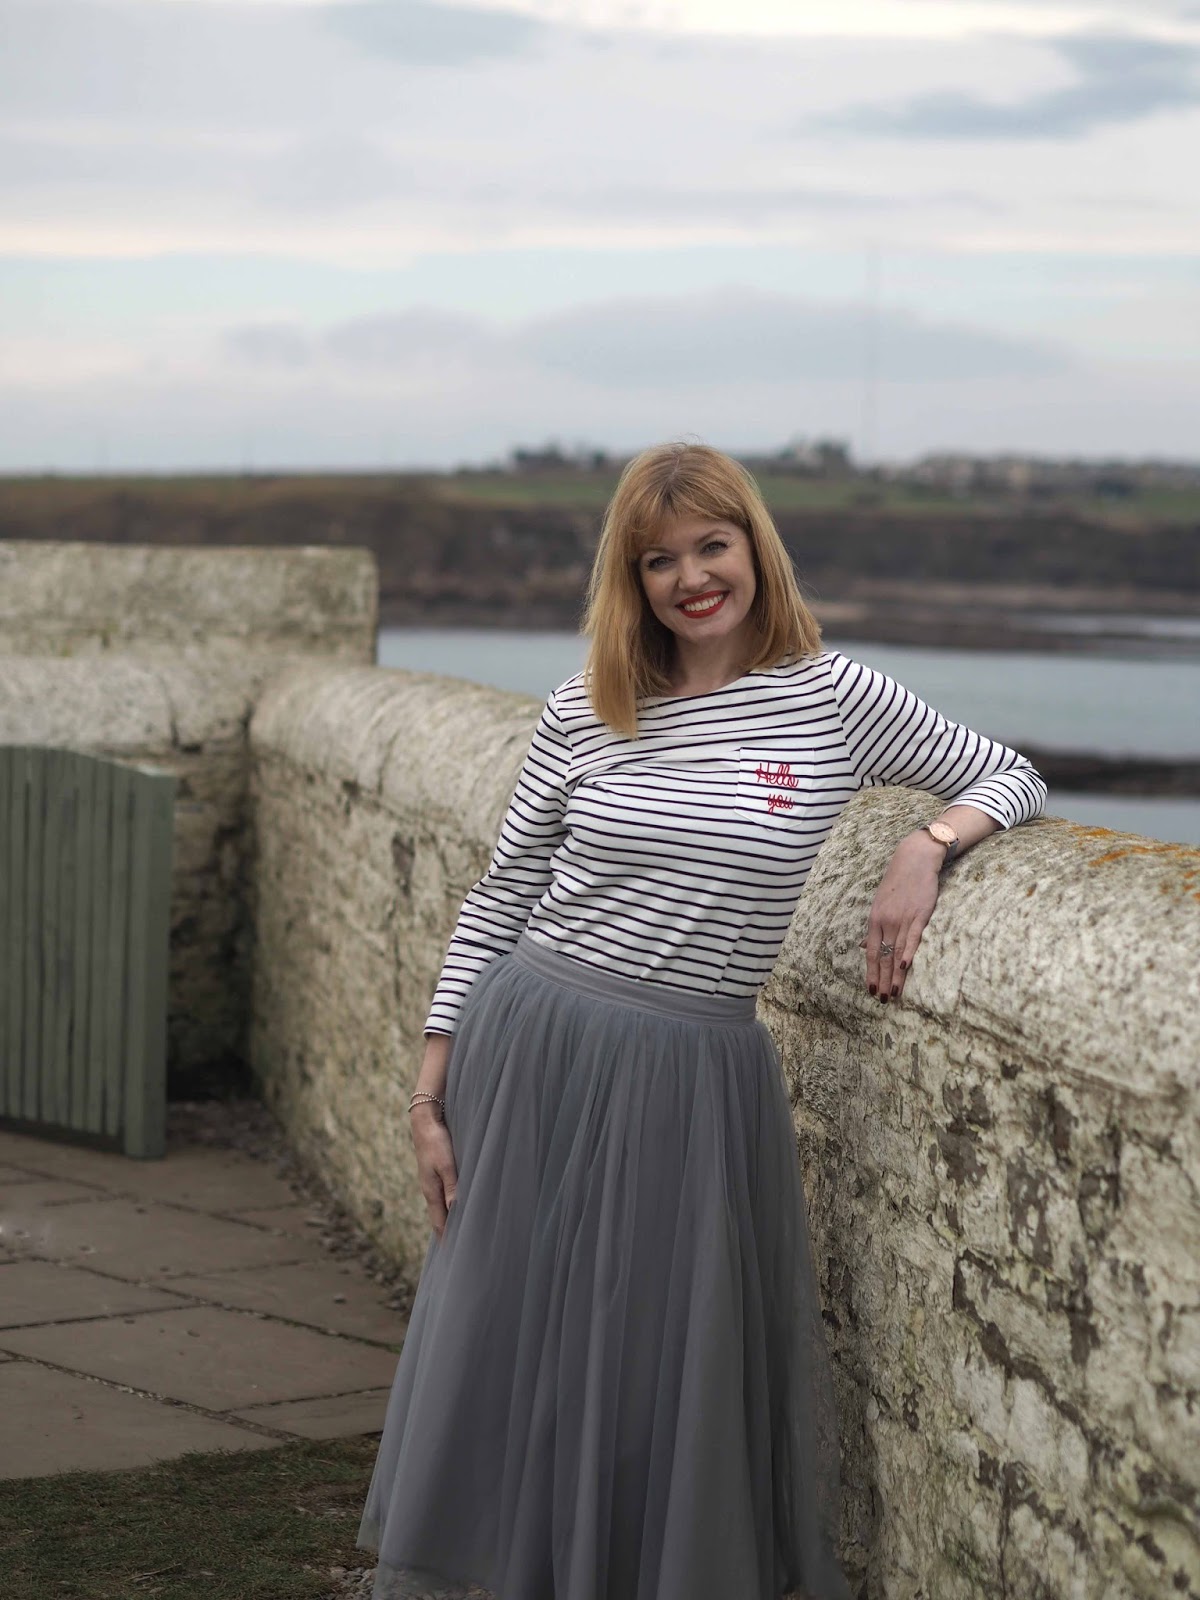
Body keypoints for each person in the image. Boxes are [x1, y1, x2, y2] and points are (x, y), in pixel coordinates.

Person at [357, 442, 1047, 1600]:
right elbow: (501, 894)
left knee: (655, 1365)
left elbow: (1007, 773)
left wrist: (926, 850)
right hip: (535, 1047)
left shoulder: (835, 697)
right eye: (657, 560)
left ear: (753, 547)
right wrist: (431, 1092)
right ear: (631, 581)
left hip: (695, 1070)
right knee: (515, 1344)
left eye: (710, 547)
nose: (690, 579)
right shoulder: (587, 708)